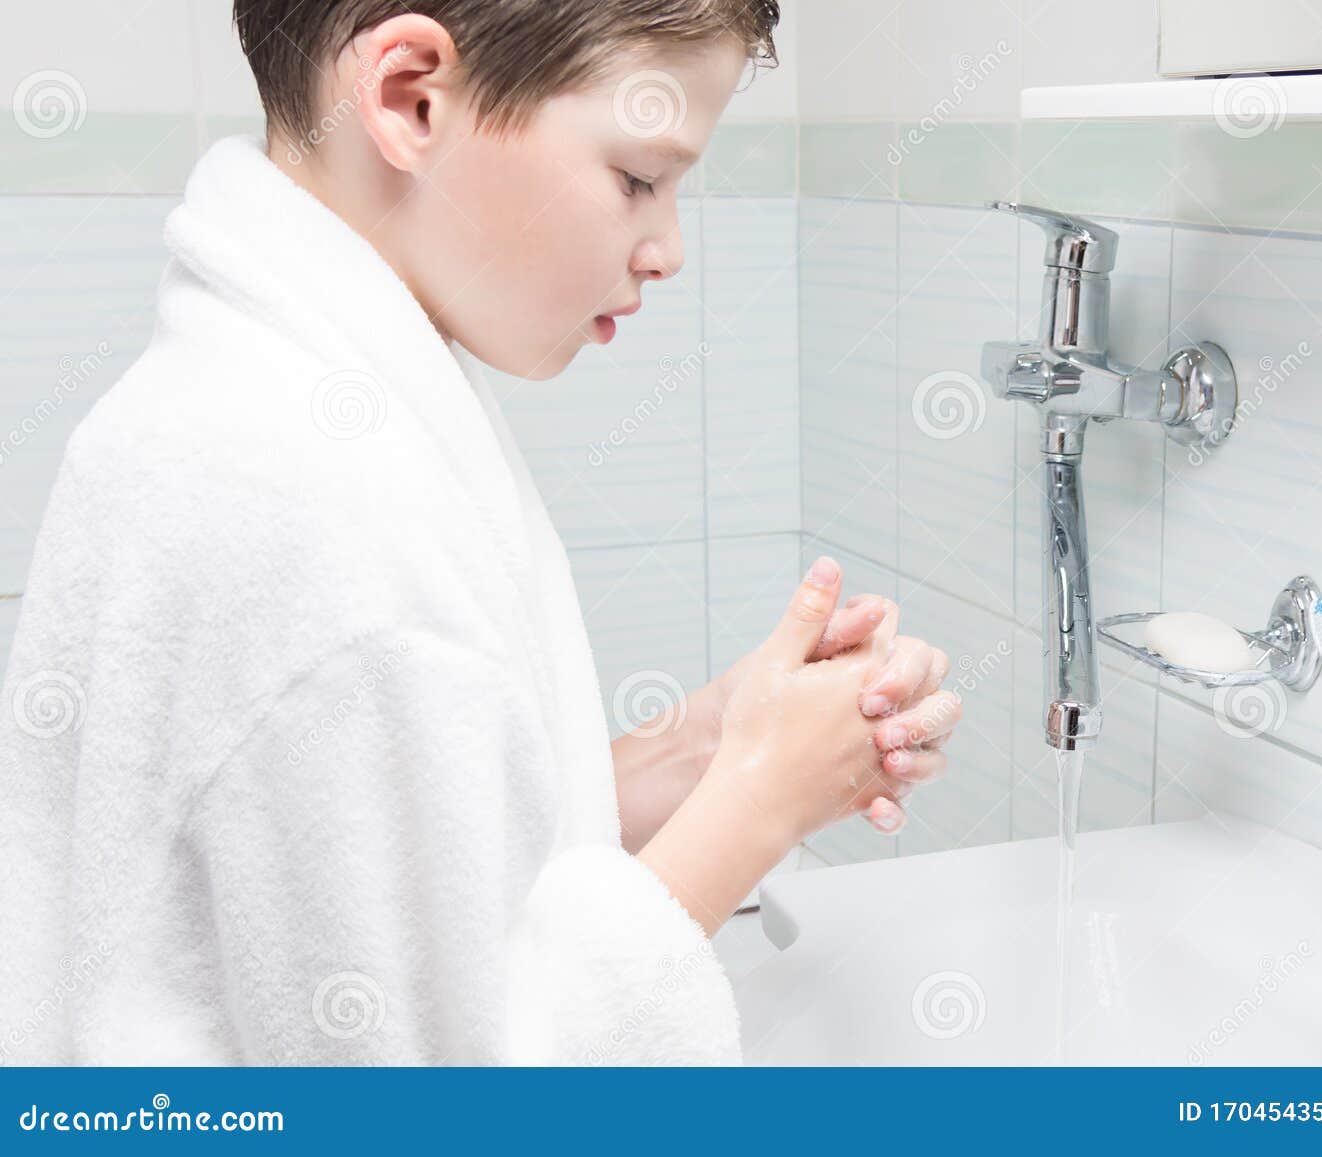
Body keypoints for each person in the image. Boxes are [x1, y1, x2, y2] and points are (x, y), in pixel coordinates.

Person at [0, 1, 963, 1065]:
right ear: (412, 95)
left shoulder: (263, 397)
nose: (667, 249)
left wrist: (706, 744)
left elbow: (425, 873)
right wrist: (756, 804)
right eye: (640, 177)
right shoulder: (321, 507)